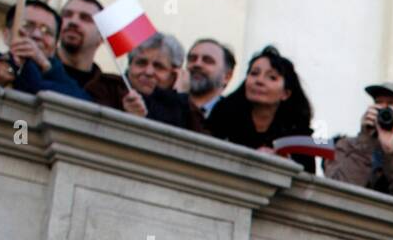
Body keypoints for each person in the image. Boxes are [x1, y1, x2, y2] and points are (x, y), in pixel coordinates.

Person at [207, 45, 316, 173]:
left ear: (285, 93)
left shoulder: (298, 134)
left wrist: (284, 162)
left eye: (272, 77)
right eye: (254, 73)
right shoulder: (223, 114)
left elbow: (307, 177)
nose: (259, 81)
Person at [325, 81, 393, 204]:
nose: (383, 108)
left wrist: (392, 153)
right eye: (378, 103)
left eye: (392, 103)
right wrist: (365, 143)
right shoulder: (346, 146)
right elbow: (334, 192)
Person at [0, 0, 92, 101]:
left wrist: (45, 66)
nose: (36, 35)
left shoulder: (70, 89)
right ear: (6, 35)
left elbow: (86, 110)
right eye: (27, 25)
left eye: (47, 31)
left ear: (55, 45)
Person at [118, 34, 205, 132]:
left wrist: (180, 99)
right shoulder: (110, 90)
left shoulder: (190, 111)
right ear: (130, 66)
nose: (148, 72)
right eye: (141, 63)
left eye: (158, 66)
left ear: (175, 75)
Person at [55, 0, 123, 106]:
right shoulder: (35, 68)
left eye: (85, 18)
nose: (73, 22)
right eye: (67, 14)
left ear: (101, 37)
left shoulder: (114, 92)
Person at [186, 38, 235, 117]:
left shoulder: (234, 117)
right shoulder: (166, 106)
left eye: (208, 60)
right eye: (192, 59)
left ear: (227, 76)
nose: (197, 64)